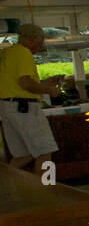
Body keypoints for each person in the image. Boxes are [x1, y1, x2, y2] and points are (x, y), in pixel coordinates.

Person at [0, 23, 61, 174]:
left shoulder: (7, 53)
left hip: (8, 107)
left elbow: (18, 84)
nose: (40, 47)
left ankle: (8, 188)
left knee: (23, 154)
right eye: (40, 43)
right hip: (25, 108)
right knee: (45, 151)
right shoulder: (23, 53)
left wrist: (43, 84)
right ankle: (46, 189)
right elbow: (25, 83)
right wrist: (49, 90)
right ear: (31, 39)